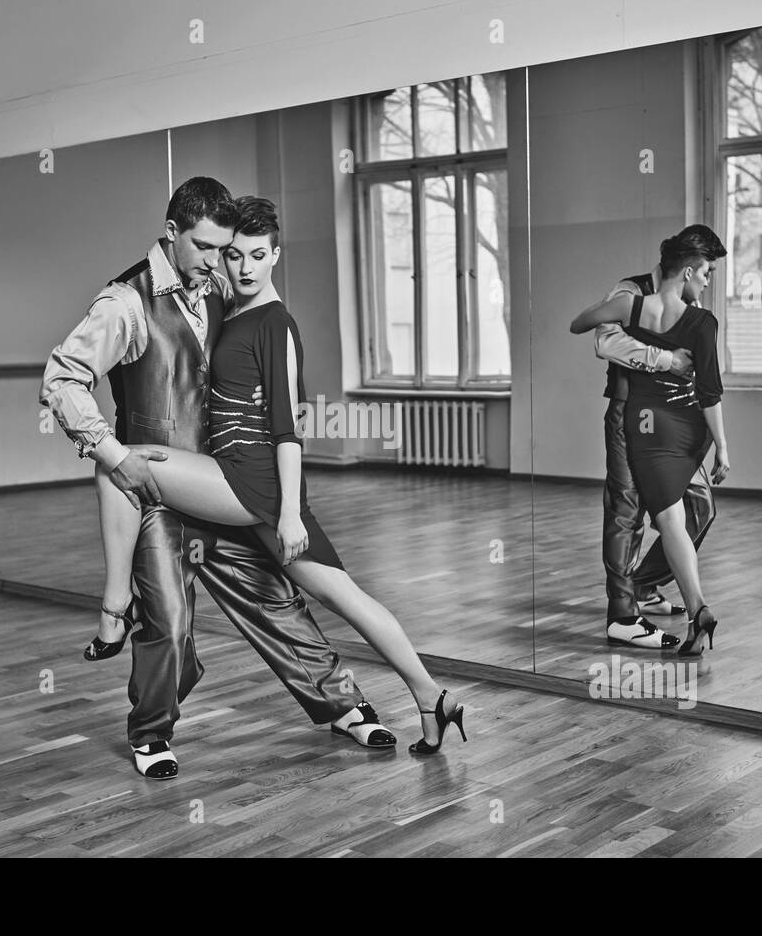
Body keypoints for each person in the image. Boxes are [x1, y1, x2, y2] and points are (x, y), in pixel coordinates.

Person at [40, 177, 396, 781]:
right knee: (172, 622)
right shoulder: (126, 302)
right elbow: (63, 377)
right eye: (205, 248)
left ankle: (343, 704)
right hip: (155, 491)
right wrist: (110, 451)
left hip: (220, 482)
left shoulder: (221, 289)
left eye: (225, 249)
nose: (217, 263)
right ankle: (151, 732)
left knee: (277, 600)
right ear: (172, 232)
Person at [88, 195, 467, 755]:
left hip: (252, 483)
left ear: (275, 257)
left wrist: (289, 512)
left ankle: (113, 612)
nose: (242, 267)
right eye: (233, 255)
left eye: (256, 256)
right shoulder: (229, 307)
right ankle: (431, 696)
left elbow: (288, 427)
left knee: (119, 458)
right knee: (346, 598)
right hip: (240, 479)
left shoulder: (273, 322)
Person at [570, 232, 730, 656]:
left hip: (677, 425)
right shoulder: (630, 291)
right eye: (706, 269)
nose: (707, 278)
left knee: (699, 507)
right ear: (687, 264)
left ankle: (644, 583)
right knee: (626, 510)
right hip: (629, 414)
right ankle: (623, 613)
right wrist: (667, 359)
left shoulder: (689, 303)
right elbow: (604, 341)